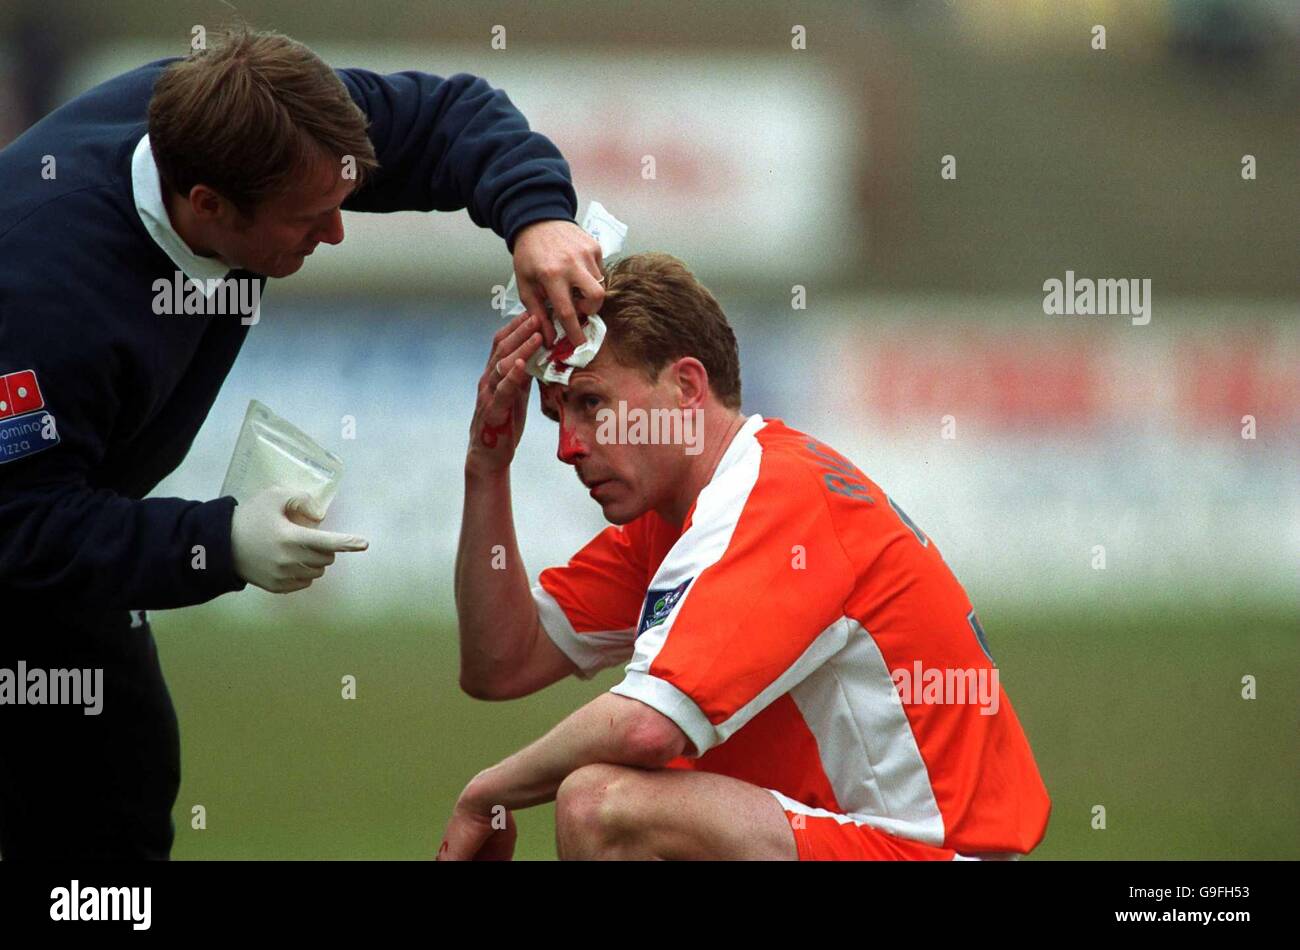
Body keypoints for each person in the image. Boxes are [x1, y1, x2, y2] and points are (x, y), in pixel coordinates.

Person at [0, 26, 603, 859]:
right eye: (309, 220)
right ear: (208, 204)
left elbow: (450, 116)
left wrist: (535, 216)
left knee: (121, 790)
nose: (336, 234)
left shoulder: (262, 121)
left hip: (56, 548)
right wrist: (219, 541)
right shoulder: (40, 290)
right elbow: (20, 525)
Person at [442, 252, 1051, 860]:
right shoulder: (677, 518)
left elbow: (647, 728)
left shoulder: (774, 495)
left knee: (602, 807)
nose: (567, 448)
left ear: (685, 388)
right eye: (555, 415)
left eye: (592, 404)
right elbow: (501, 662)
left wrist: (485, 794)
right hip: (855, 843)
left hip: (930, 856)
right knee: (622, 796)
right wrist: (486, 466)